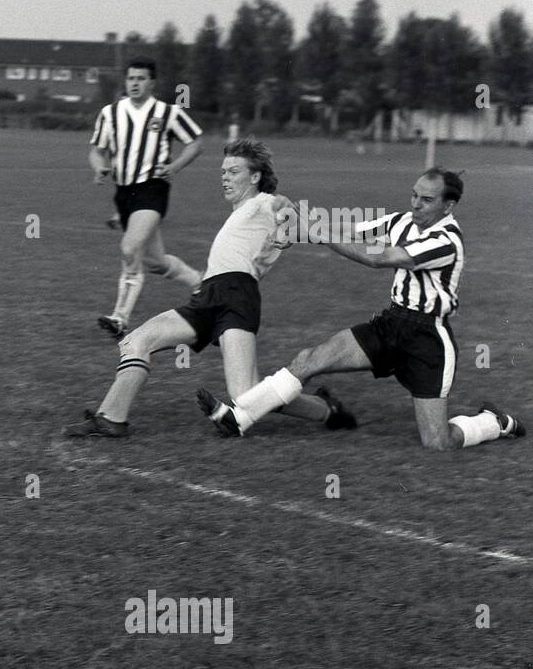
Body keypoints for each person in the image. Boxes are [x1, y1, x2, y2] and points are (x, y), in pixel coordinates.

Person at [197, 168, 525, 451]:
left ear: (448, 205)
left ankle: (492, 422)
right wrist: (294, 227)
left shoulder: (446, 239)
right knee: (308, 359)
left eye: (426, 200)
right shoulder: (401, 221)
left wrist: (316, 230)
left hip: (427, 340)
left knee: (438, 442)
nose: (415, 204)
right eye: (414, 195)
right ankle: (241, 417)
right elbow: (350, 229)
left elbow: (379, 258)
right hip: (391, 323)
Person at [64, 137, 351, 438]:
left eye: (234, 172)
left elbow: (296, 215)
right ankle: (111, 418)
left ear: (255, 177)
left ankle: (326, 409)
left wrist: (289, 210)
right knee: (136, 341)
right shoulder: (245, 210)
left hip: (236, 297)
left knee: (247, 396)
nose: (225, 178)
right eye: (223, 171)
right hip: (207, 296)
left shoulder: (265, 203)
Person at [89, 60, 205, 339]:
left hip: (152, 188)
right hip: (123, 192)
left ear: (152, 83)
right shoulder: (111, 113)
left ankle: (119, 318)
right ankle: (202, 283)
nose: (135, 83)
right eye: (131, 78)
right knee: (154, 261)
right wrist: (99, 167)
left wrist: (174, 167)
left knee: (130, 248)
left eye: (141, 78)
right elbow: (96, 148)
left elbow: (196, 142)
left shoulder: (168, 112)